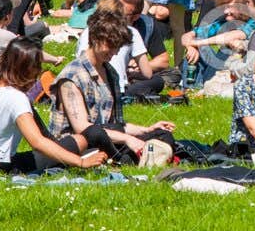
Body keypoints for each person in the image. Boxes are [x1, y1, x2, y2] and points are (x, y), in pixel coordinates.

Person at [0, 37, 109, 175]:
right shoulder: (16, 99)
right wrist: (81, 162)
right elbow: (38, 142)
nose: (39, 70)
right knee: (79, 141)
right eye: (37, 66)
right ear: (27, 68)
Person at [49, 11, 177, 164]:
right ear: (94, 39)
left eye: (118, 47)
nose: (114, 53)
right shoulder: (72, 76)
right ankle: (134, 157)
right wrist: (127, 139)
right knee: (97, 133)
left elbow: (116, 126)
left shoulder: (110, 72)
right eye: (110, 46)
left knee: (162, 134)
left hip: (106, 138)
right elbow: (82, 128)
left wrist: (146, 130)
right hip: (78, 145)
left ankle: (139, 155)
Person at [181, 0, 255, 88]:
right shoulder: (223, 22)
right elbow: (186, 36)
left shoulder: (253, 22)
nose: (225, 12)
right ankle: (190, 89)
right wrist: (191, 46)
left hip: (241, 70)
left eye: (230, 7)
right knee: (198, 48)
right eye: (224, 7)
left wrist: (197, 42)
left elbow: (233, 36)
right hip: (221, 68)